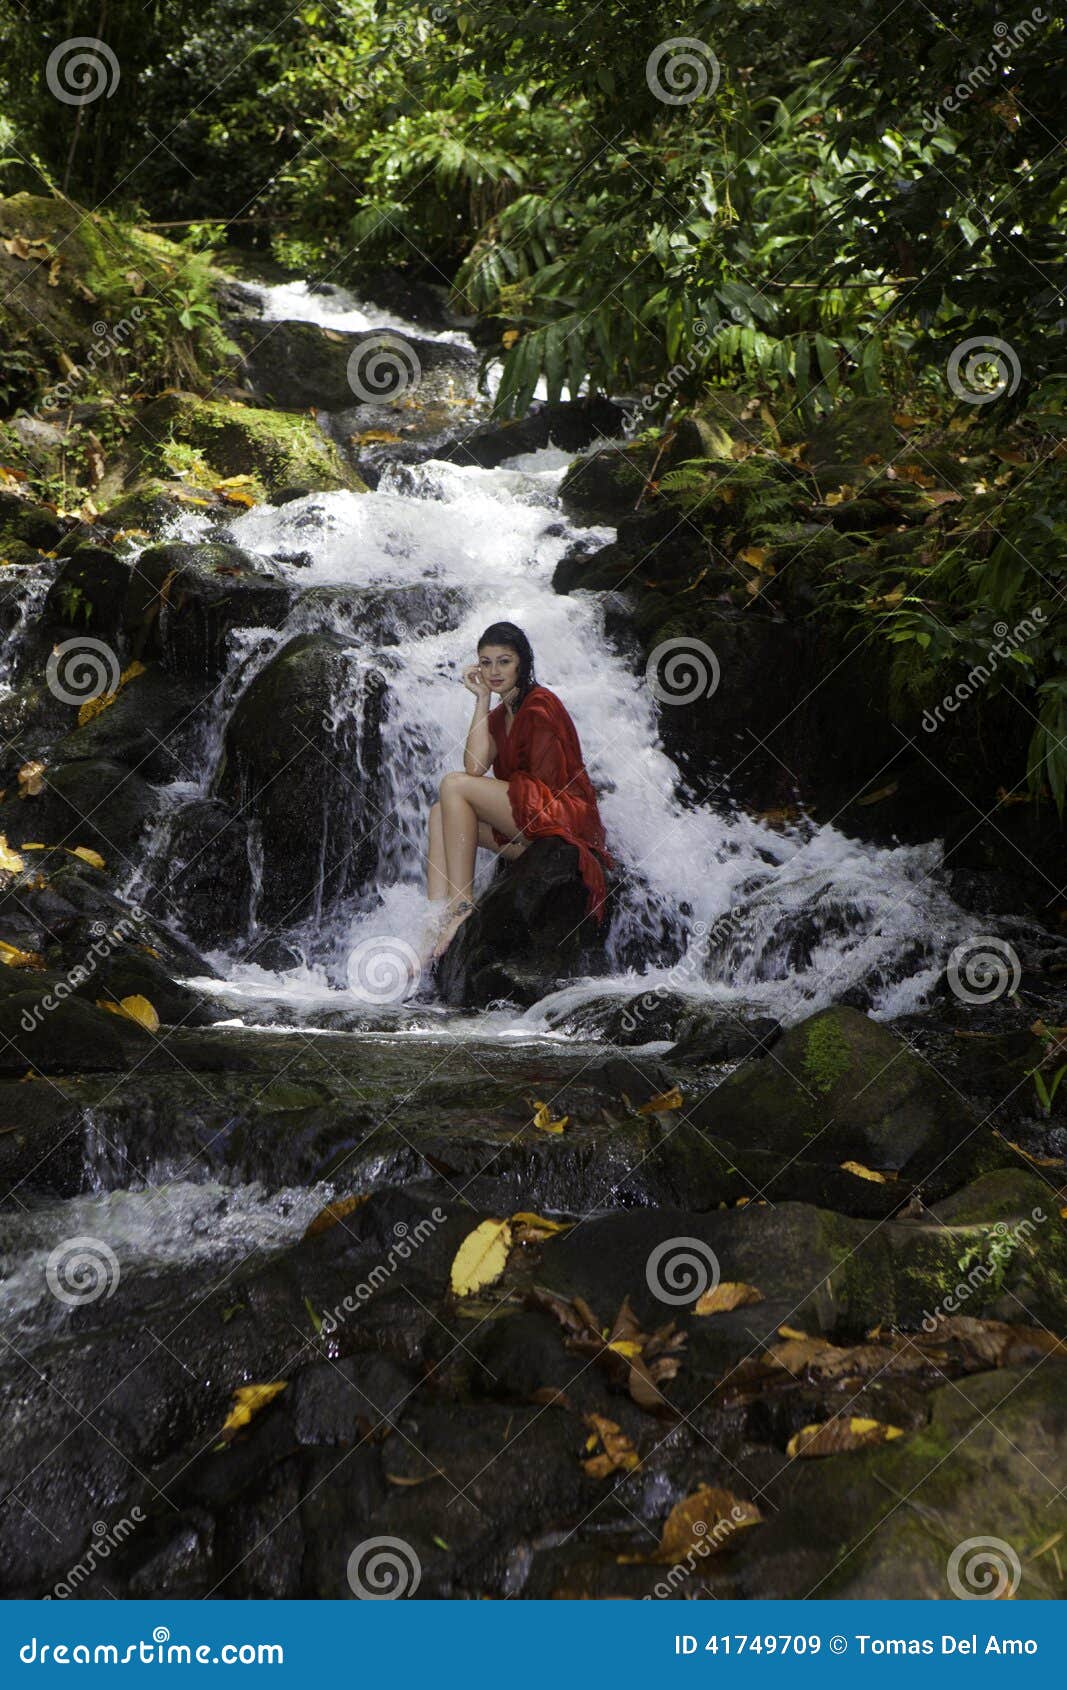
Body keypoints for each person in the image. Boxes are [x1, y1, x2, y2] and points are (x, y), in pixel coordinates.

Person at [422, 620, 615, 962]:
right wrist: (481, 700)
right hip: (529, 825)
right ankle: (435, 920)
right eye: (485, 662)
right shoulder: (499, 715)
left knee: (453, 785)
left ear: (522, 662)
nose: (494, 671)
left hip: (561, 818)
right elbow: (475, 767)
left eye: (504, 661)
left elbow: (546, 788)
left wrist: (493, 798)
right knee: (440, 813)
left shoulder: (542, 705)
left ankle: (461, 909)